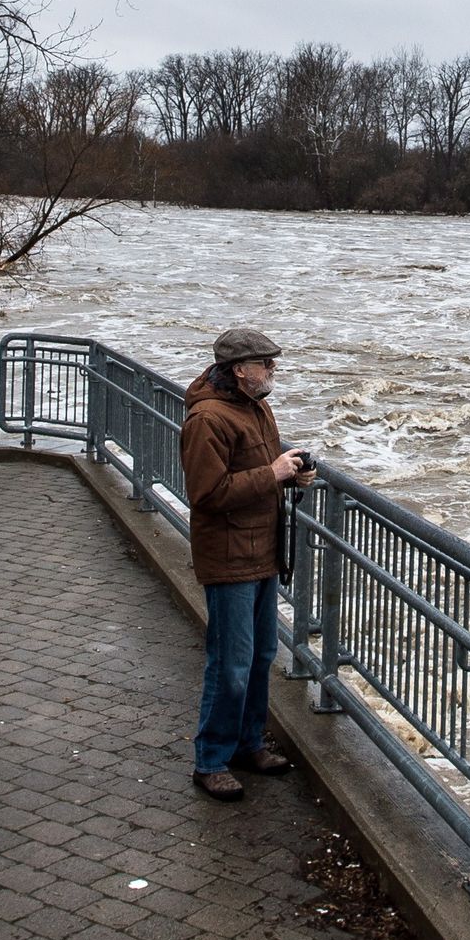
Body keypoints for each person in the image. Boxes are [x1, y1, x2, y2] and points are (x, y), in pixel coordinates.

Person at [179, 326, 311, 801]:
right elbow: (206, 494)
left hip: (262, 552)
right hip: (230, 556)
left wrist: (290, 473)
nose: (273, 370)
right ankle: (210, 759)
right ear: (240, 369)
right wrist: (271, 473)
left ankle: (248, 744)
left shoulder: (255, 407)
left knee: (260, 658)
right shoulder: (207, 420)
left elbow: (260, 469)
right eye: (266, 363)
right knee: (230, 663)